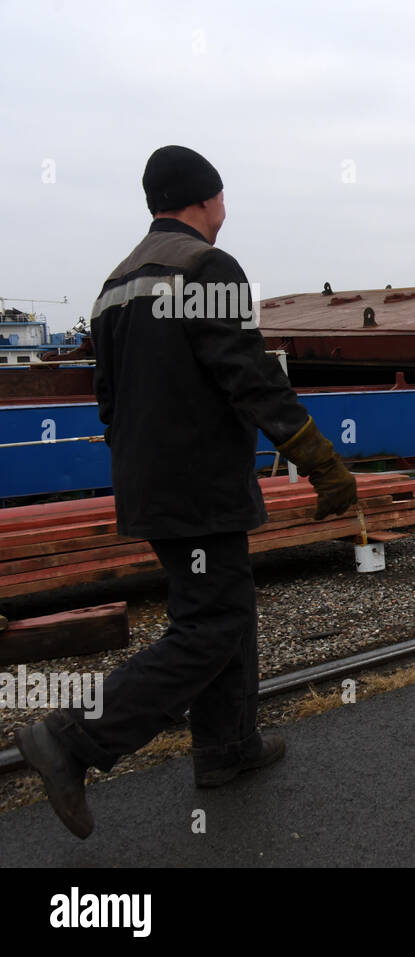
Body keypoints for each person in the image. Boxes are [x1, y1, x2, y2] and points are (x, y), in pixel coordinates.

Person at [15, 145, 357, 840]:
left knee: (222, 606)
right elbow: (251, 376)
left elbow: (106, 399)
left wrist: (143, 464)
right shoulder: (208, 267)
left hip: (151, 485)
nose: (226, 209)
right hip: (200, 484)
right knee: (212, 623)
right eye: (223, 197)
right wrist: (320, 461)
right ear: (206, 200)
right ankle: (72, 738)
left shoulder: (114, 285)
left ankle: (226, 747)